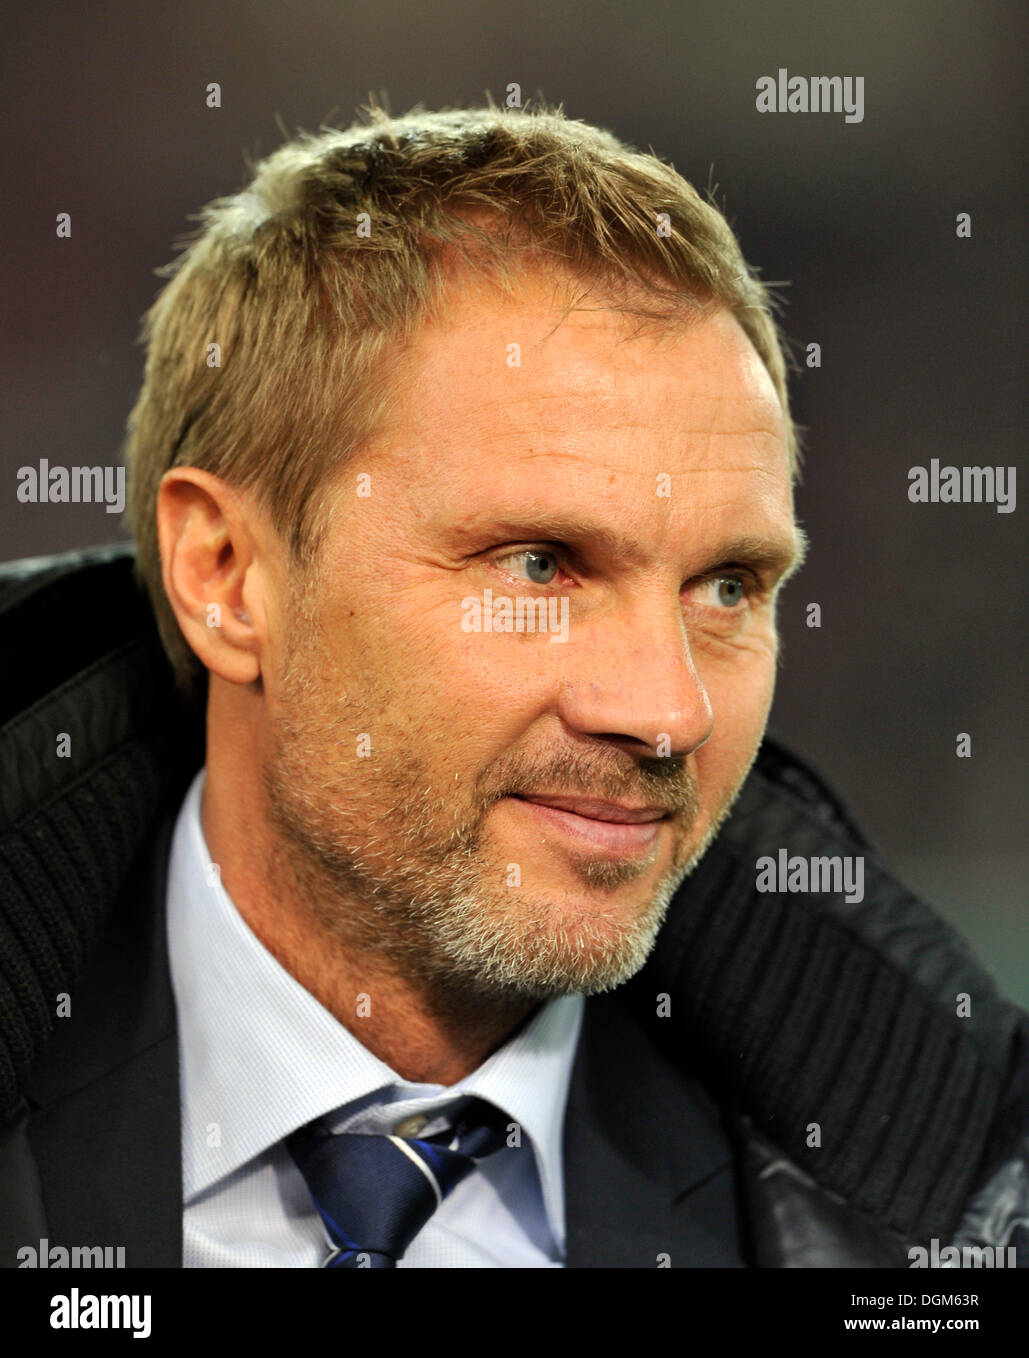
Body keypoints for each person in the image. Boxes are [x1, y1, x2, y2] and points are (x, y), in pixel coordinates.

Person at [0, 104, 1025, 1270]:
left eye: (728, 586)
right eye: (541, 566)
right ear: (227, 574)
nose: (667, 710)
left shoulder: (959, 1204)